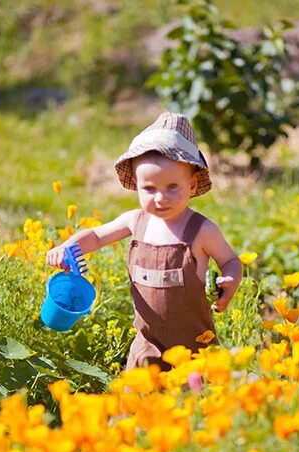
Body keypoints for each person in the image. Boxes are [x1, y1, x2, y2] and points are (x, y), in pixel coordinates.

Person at [46, 112, 242, 369]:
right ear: (137, 186)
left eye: (173, 187)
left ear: (192, 186)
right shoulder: (134, 221)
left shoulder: (201, 230)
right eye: (149, 189)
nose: (160, 198)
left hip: (195, 348)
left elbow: (230, 261)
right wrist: (66, 247)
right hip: (146, 345)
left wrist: (230, 280)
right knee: (139, 404)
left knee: (194, 404)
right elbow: (95, 236)